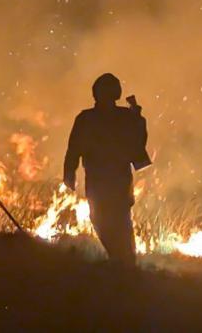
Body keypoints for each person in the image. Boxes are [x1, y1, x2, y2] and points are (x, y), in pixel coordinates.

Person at [63, 73, 151, 265]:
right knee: (112, 221)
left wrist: (69, 173)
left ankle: (123, 260)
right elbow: (75, 148)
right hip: (111, 180)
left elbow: (74, 149)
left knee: (110, 220)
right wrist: (137, 116)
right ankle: (123, 259)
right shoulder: (118, 117)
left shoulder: (90, 118)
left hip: (106, 180)